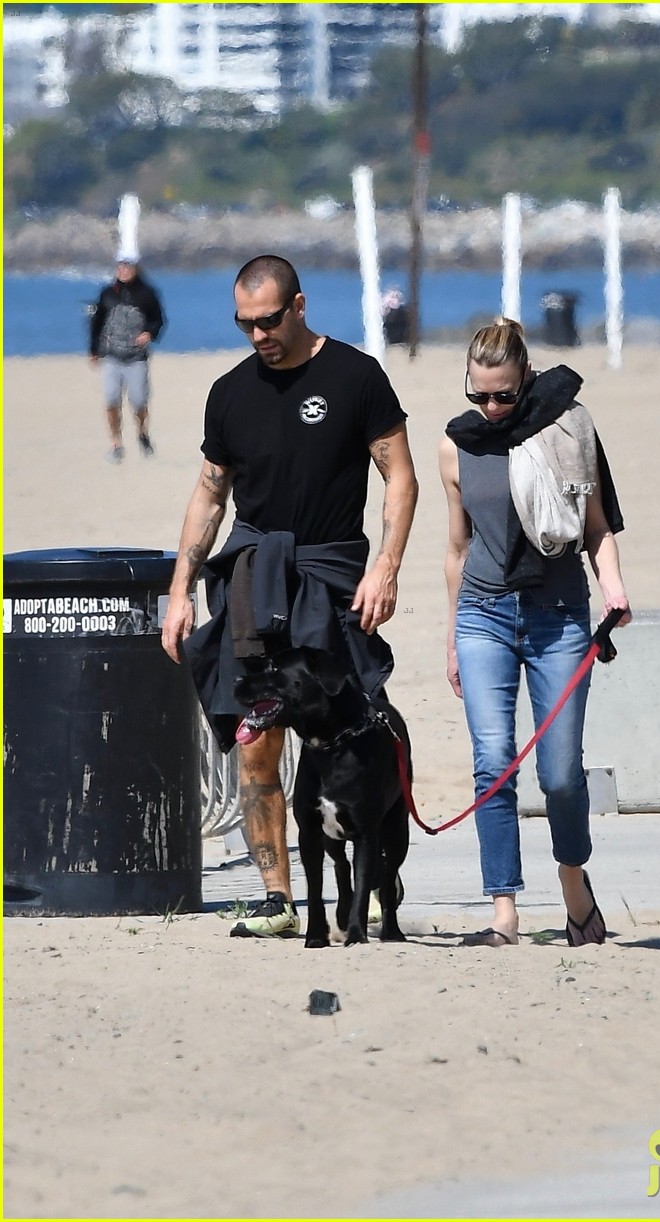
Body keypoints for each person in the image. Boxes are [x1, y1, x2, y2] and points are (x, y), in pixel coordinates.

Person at [162, 254, 419, 938]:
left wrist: (386, 566)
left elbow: (399, 476)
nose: (257, 336)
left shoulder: (355, 375)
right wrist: (179, 591)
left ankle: (373, 870)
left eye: (268, 321)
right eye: (245, 324)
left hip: (334, 573)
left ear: (298, 306)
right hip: (254, 577)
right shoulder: (229, 392)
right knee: (255, 741)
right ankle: (279, 898)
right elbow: (210, 493)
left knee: (359, 727)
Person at [439, 318, 630, 948]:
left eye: (503, 395)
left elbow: (597, 524)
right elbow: (457, 546)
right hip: (482, 616)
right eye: (480, 396)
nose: (491, 408)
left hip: (560, 616)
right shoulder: (457, 445)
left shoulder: (567, 428)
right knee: (492, 761)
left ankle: (574, 883)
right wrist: (450, 636)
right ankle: (504, 912)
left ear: (525, 379)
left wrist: (614, 591)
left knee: (559, 774)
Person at [89, 254, 165, 463]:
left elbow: (158, 319)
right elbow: (96, 322)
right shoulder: (107, 294)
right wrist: (94, 350)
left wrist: (150, 333)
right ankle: (116, 443)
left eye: (127, 267)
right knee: (111, 399)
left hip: (136, 358)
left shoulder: (147, 294)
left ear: (136, 269)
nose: (123, 270)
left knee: (139, 401)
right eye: (120, 267)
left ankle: (142, 433)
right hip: (112, 356)